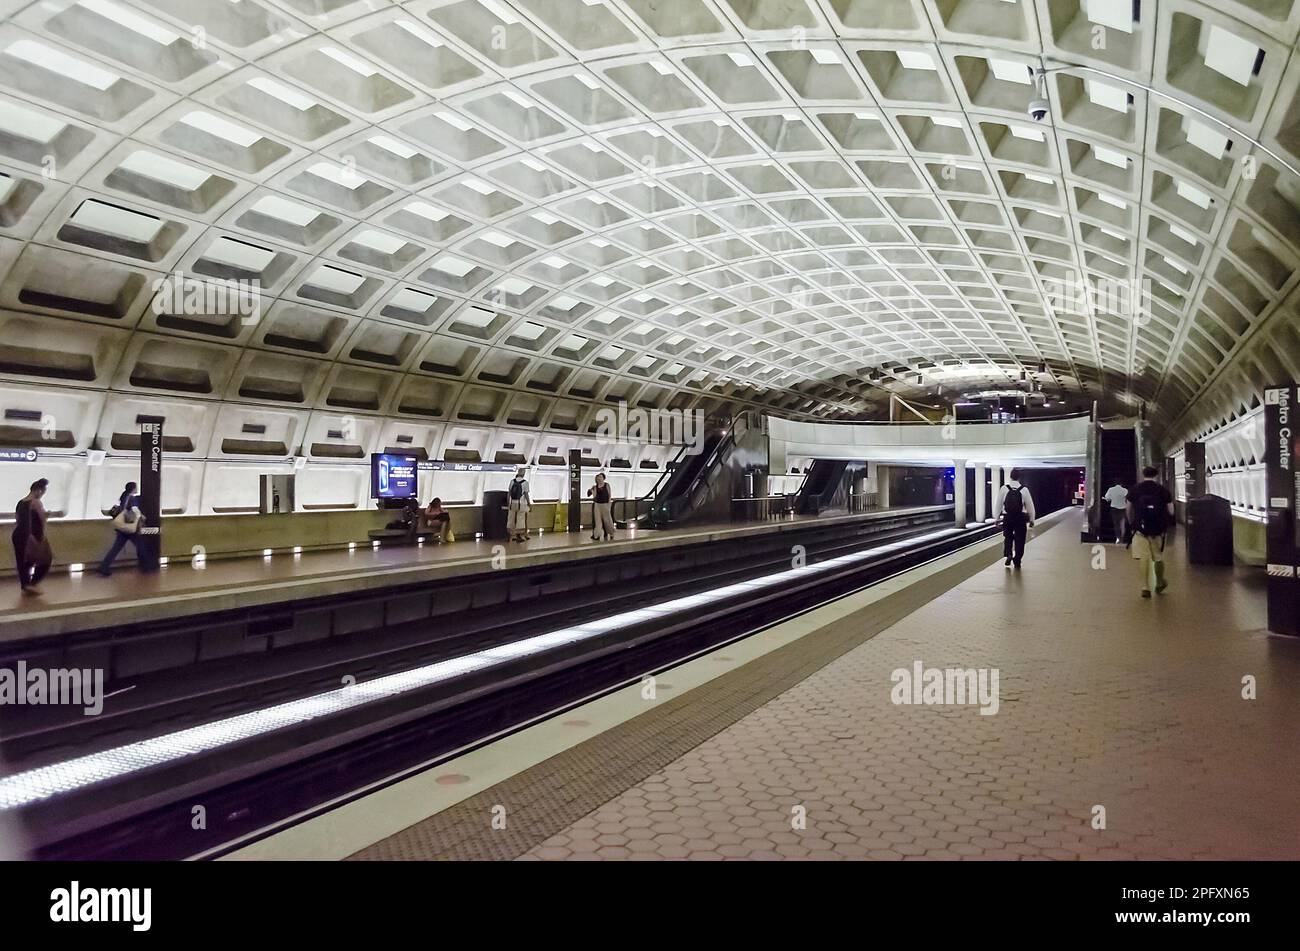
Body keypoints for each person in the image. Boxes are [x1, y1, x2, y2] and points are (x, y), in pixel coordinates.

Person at [1127, 465, 1174, 599]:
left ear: (1143, 475)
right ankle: (1159, 582)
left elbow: (1128, 509)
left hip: (1140, 529)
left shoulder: (1135, 489)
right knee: (1157, 557)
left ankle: (1145, 587)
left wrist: (1132, 523)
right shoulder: (1163, 490)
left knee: (1144, 557)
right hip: (1158, 530)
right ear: (1156, 475)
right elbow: (1171, 511)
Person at [12, 478, 52, 595]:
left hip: (18, 535)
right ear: (38, 491)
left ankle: (26, 585)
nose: (42, 495)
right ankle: (32, 583)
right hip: (31, 537)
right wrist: (42, 536)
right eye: (43, 492)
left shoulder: (20, 502)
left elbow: (18, 519)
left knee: (23, 562)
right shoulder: (36, 502)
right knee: (45, 560)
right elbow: (42, 520)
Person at [97, 481, 144, 576]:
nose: (137, 489)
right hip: (130, 527)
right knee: (141, 546)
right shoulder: (132, 498)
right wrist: (142, 516)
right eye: (136, 487)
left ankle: (104, 566)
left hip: (122, 528)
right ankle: (145, 565)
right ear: (133, 488)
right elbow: (135, 510)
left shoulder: (123, 497)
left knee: (115, 548)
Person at [995, 468, 1036, 569]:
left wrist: (996, 518)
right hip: (1020, 518)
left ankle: (1008, 553)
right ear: (1019, 477)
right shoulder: (1024, 490)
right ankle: (1017, 559)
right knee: (1020, 539)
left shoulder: (1004, 488)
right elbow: (1030, 506)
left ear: (1010, 476)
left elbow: (998, 504)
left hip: (1007, 517)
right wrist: (1032, 519)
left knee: (1008, 537)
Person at [587, 473, 615, 541]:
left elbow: (609, 495)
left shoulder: (607, 485)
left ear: (603, 478)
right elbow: (594, 497)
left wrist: (609, 504)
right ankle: (596, 535)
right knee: (598, 521)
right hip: (597, 505)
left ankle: (611, 533)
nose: (599, 479)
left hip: (605, 504)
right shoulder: (595, 487)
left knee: (607, 520)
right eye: (598, 478)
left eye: (601, 477)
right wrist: (592, 492)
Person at [507, 468, 531, 542]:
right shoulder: (525, 483)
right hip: (521, 503)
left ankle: (510, 535)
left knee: (511, 518)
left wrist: (508, 503)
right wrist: (529, 503)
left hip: (512, 503)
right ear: (523, 474)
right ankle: (519, 536)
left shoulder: (512, 481)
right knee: (520, 519)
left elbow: (509, 493)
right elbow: (526, 495)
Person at [1102, 479, 1130, 543]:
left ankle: (1118, 538)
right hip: (1123, 508)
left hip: (1114, 509)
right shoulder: (1125, 490)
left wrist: (1105, 498)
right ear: (1121, 484)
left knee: (1116, 524)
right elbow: (1127, 499)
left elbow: (1107, 498)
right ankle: (1123, 537)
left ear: (1115, 483)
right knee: (1122, 524)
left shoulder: (1111, 489)